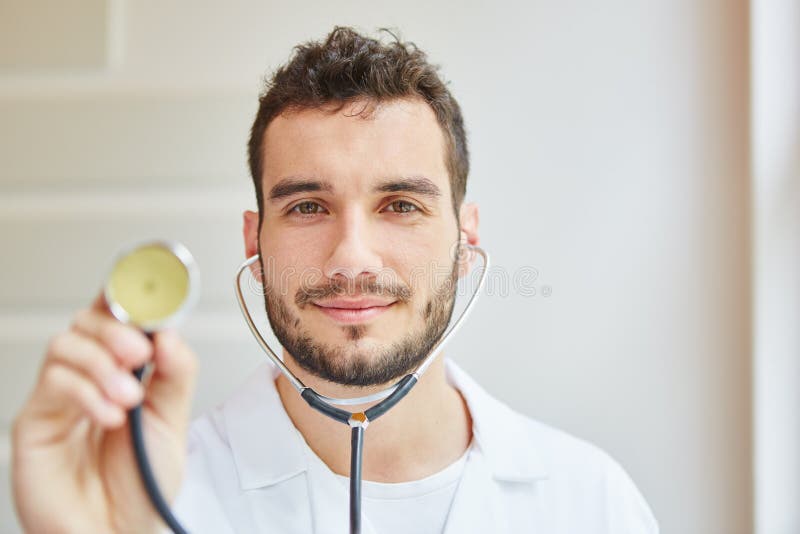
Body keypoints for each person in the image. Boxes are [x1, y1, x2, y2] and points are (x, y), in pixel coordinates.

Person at [11, 27, 659, 533]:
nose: (352, 258)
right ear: (252, 241)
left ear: (467, 240)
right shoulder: (155, 497)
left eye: (401, 205)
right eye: (308, 207)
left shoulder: (592, 502)